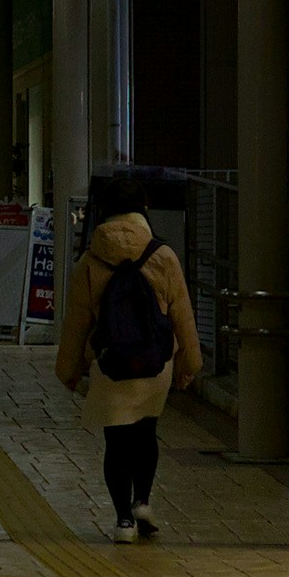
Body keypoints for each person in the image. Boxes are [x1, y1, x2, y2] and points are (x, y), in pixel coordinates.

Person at [52, 175, 203, 542]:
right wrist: (189, 365)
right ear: (143, 209)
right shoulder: (162, 254)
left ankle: (122, 521)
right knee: (146, 432)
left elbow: (76, 322)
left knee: (116, 441)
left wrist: (69, 370)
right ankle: (143, 501)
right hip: (155, 361)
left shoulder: (91, 259)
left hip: (110, 361)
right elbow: (182, 315)